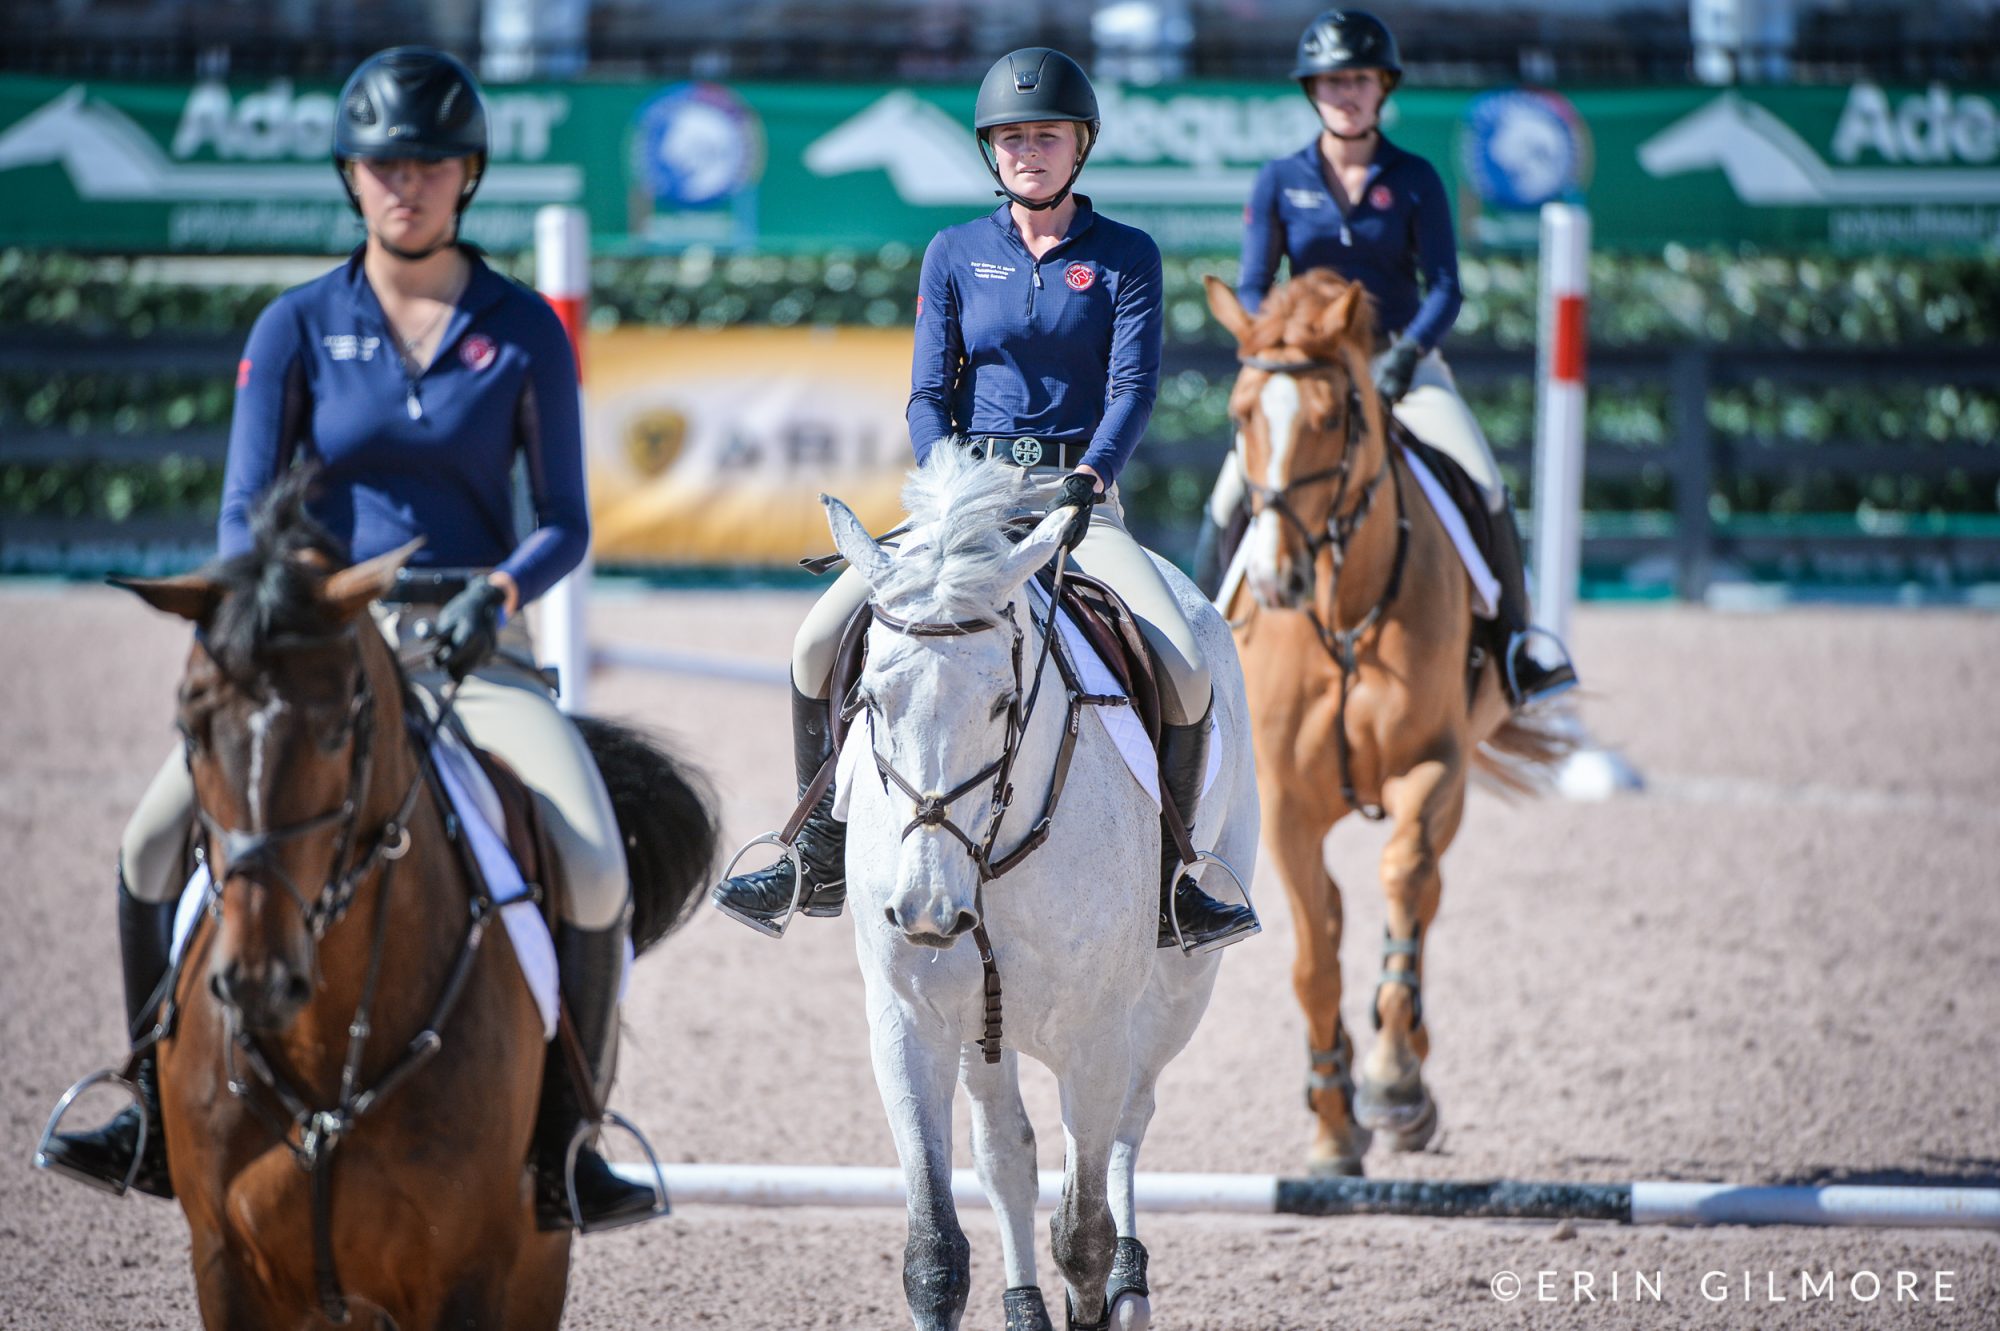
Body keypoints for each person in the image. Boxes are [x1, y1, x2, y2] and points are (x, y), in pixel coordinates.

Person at [37, 47, 656, 1233]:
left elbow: (567, 520)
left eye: (426, 166)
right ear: (351, 177)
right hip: (320, 646)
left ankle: (568, 1136)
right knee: (150, 834)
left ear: (467, 176)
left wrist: (500, 592)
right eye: (381, 167)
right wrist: (293, 603)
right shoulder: (296, 325)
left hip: (469, 646)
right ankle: (148, 1109)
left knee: (590, 850)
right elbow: (238, 512)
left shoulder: (523, 328)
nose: (403, 187)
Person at [712, 47, 1259, 955]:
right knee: (817, 639)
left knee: (1188, 667)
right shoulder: (955, 253)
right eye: (1011, 138)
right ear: (989, 151)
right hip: (964, 500)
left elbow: (1131, 389)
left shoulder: (1126, 256)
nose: (1028, 152)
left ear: (1080, 146)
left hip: (1078, 501)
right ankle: (818, 848)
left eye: (1045, 137)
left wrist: (1088, 479)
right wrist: (946, 488)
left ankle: (1177, 873)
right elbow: (930, 394)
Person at [1192, 9, 1576, 707]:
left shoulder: (1417, 177)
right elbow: (1252, 280)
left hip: (1403, 362)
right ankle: (1203, 648)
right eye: (1334, 82)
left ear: (1383, 88)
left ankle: (1519, 645)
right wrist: (1268, 333)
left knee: (1483, 481)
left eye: (1360, 81)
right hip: (1309, 369)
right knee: (1229, 496)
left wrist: (1405, 357)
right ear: (1313, 90)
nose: (1347, 94)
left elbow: (1447, 289)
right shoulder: (1280, 179)